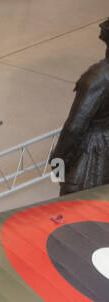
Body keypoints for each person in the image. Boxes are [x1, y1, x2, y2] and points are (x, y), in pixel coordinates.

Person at [52, 18, 109, 196]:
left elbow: (74, 129)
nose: (101, 25)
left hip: (92, 156)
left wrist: (57, 163)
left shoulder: (96, 78)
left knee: (75, 213)